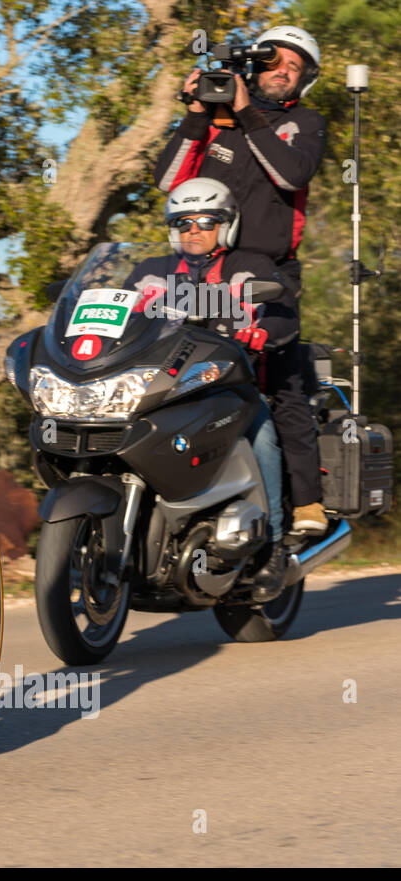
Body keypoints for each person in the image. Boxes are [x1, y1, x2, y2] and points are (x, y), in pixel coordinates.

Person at [154, 25, 328, 535]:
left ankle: (304, 506)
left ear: (304, 81)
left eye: (294, 68)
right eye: (276, 61)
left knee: (282, 384)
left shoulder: (306, 124)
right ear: (255, 65)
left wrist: (248, 110)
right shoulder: (214, 123)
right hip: (198, 269)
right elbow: (166, 183)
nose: (283, 71)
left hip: (268, 273)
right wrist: (193, 115)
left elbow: (291, 175)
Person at [124, 178, 297, 601]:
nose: (194, 229)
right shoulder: (151, 271)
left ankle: (274, 544)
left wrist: (262, 331)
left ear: (226, 225)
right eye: (183, 222)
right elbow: (119, 311)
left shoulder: (250, 267)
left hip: (228, 387)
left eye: (206, 220)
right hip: (158, 388)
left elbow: (283, 315)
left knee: (265, 437)